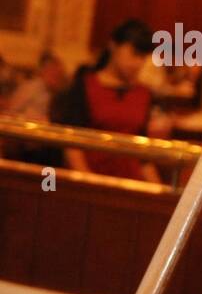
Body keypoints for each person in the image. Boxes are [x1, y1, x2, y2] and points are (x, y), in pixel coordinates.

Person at [52, 20, 163, 183]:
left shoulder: (143, 94)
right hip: (91, 179)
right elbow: (71, 144)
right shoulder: (85, 85)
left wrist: (158, 190)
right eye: (134, 54)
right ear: (113, 46)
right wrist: (88, 179)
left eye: (143, 57)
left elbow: (143, 154)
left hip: (130, 182)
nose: (138, 63)